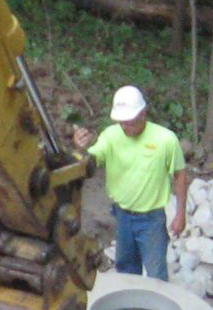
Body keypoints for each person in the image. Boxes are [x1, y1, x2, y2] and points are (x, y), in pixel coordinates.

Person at [70, 85, 188, 281]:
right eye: (122, 122)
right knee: (125, 270)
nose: (125, 127)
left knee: (156, 274)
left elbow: (180, 176)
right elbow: (89, 162)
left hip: (151, 219)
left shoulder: (165, 140)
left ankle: (154, 309)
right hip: (122, 215)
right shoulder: (111, 136)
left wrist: (180, 214)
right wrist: (82, 147)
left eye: (130, 122)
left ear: (143, 114)